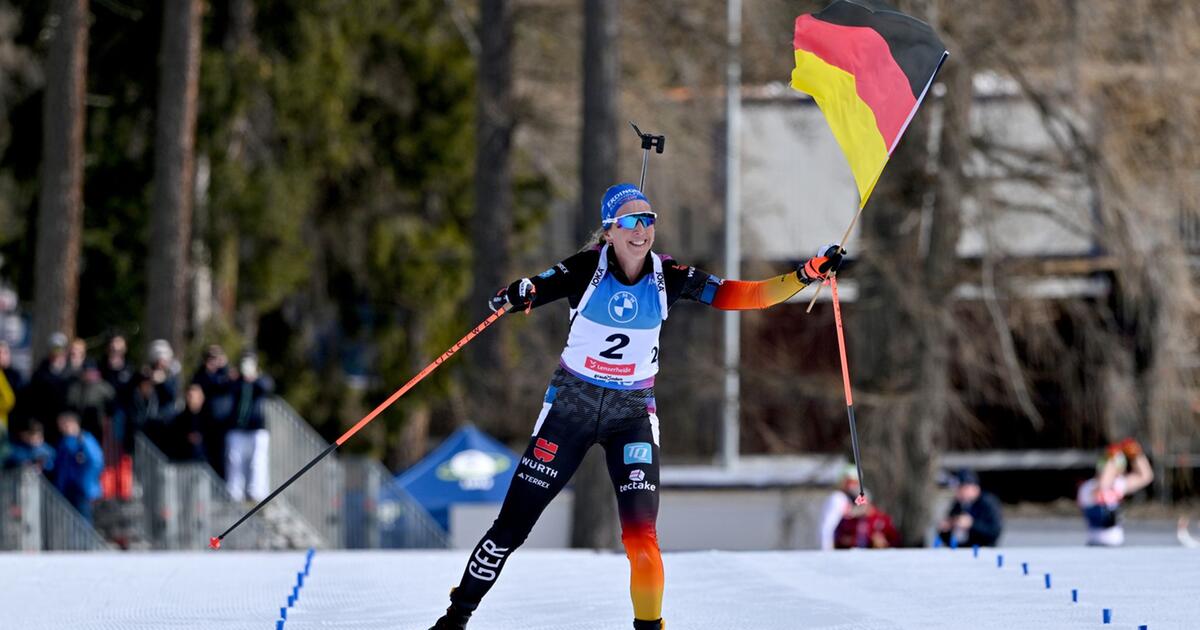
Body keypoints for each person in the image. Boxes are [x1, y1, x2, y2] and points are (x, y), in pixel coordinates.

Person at [429, 183, 845, 630]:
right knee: (510, 528)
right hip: (570, 408)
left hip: (631, 417)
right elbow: (531, 289)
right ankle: (456, 618)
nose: (641, 229)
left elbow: (747, 295)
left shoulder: (672, 276)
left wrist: (806, 273)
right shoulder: (585, 268)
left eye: (648, 220)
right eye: (629, 221)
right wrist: (515, 294)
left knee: (642, 539)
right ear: (609, 231)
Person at [1077, 438, 1154, 546]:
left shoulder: (1118, 485)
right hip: (1095, 545)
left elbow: (1146, 477)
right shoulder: (1087, 487)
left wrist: (1136, 455)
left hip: (1116, 545)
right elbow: (1102, 486)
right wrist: (1111, 460)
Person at [225, 353, 273, 502]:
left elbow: (266, 388)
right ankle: (235, 493)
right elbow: (228, 389)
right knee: (235, 460)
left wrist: (254, 378)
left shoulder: (261, 380)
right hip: (237, 429)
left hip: (257, 429)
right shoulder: (236, 382)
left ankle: (257, 493)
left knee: (257, 462)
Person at [52, 411, 103, 523]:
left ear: (73, 423)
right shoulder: (64, 442)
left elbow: (95, 462)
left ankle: (86, 541)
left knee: (83, 521)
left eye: (64, 425)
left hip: (82, 490)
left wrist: (86, 483)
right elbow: (58, 464)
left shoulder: (85, 439)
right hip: (66, 489)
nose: (61, 429)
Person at [192, 345, 234, 477]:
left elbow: (228, 385)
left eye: (215, 358)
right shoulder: (200, 375)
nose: (212, 361)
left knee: (224, 459)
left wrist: (224, 367)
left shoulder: (225, 374)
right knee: (207, 458)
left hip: (224, 425)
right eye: (209, 358)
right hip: (206, 425)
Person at [937, 468, 1003, 547]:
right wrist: (946, 529)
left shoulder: (987, 503)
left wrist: (972, 524)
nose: (958, 492)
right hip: (961, 552)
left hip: (983, 551)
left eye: (962, 488)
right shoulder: (958, 505)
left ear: (974, 488)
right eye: (957, 488)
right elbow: (949, 539)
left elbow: (994, 532)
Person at [27, 332, 73, 445]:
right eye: (55, 348)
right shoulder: (40, 373)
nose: (57, 352)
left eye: (60, 348)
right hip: (46, 423)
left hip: (67, 423)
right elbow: (33, 400)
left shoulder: (72, 372)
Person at [818, 464, 860, 550]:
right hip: (837, 550)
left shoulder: (853, 498)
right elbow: (827, 527)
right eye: (850, 482)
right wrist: (827, 550)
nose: (853, 486)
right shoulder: (838, 498)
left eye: (856, 482)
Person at [833, 496, 901, 549]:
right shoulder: (850, 520)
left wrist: (885, 543)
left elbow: (896, 540)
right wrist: (844, 540)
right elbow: (838, 536)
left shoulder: (882, 519)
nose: (860, 507)